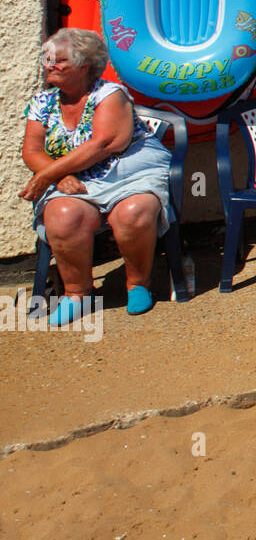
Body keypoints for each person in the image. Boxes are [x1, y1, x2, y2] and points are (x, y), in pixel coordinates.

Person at [20, 29, 173, 324]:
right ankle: (77, 293)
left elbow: (102, 144)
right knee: (63, 214)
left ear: (84, 65)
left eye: (58, 60)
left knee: (133, 212)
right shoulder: (43, 102)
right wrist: (57, 178)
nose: (48, 64)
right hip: (74, 178)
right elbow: (32, 150)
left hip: (126, 173)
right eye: (47, 58)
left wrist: (46, 176)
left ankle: (137, 284)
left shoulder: (110, 95)